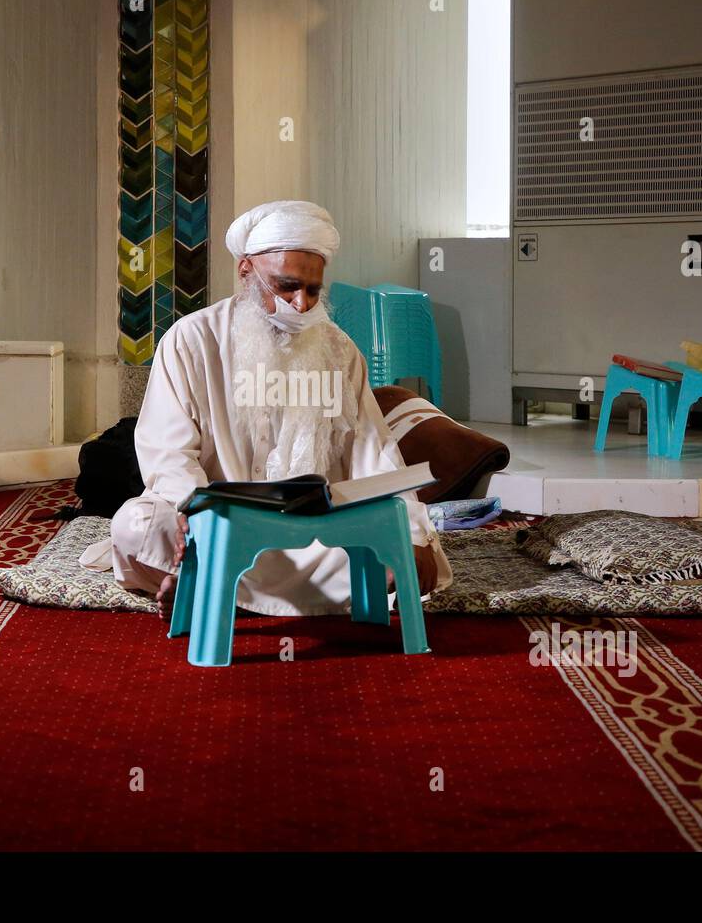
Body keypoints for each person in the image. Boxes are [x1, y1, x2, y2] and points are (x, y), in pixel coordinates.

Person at [78, 199, 452, 617]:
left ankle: (208, 584)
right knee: (136, 525)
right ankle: (211, 570)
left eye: (312, 290)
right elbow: (167, 453)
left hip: (313, 536)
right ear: (245, 271)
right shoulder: (192, 341)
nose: (302, 304)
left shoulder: (339, 352)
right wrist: (196, 513)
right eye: (286, 286)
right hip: (214, 526)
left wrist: (413, 536)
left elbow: (375, 457)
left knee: (408, 551)